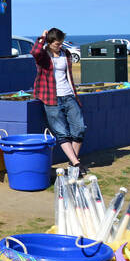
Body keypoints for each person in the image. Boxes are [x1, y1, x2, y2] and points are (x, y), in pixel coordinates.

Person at [31, 27, 86, 174]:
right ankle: (75, 163)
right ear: (49, 43)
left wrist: (74, 94)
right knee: (62, 132)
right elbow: (35, 52)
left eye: (61, 43)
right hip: (51, 98)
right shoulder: (43, 55)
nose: (60, 46)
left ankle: (73, 162)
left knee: (80, 128)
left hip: (69, 95)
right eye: (56, 44)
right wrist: (41, 37)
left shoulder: (65, 53)